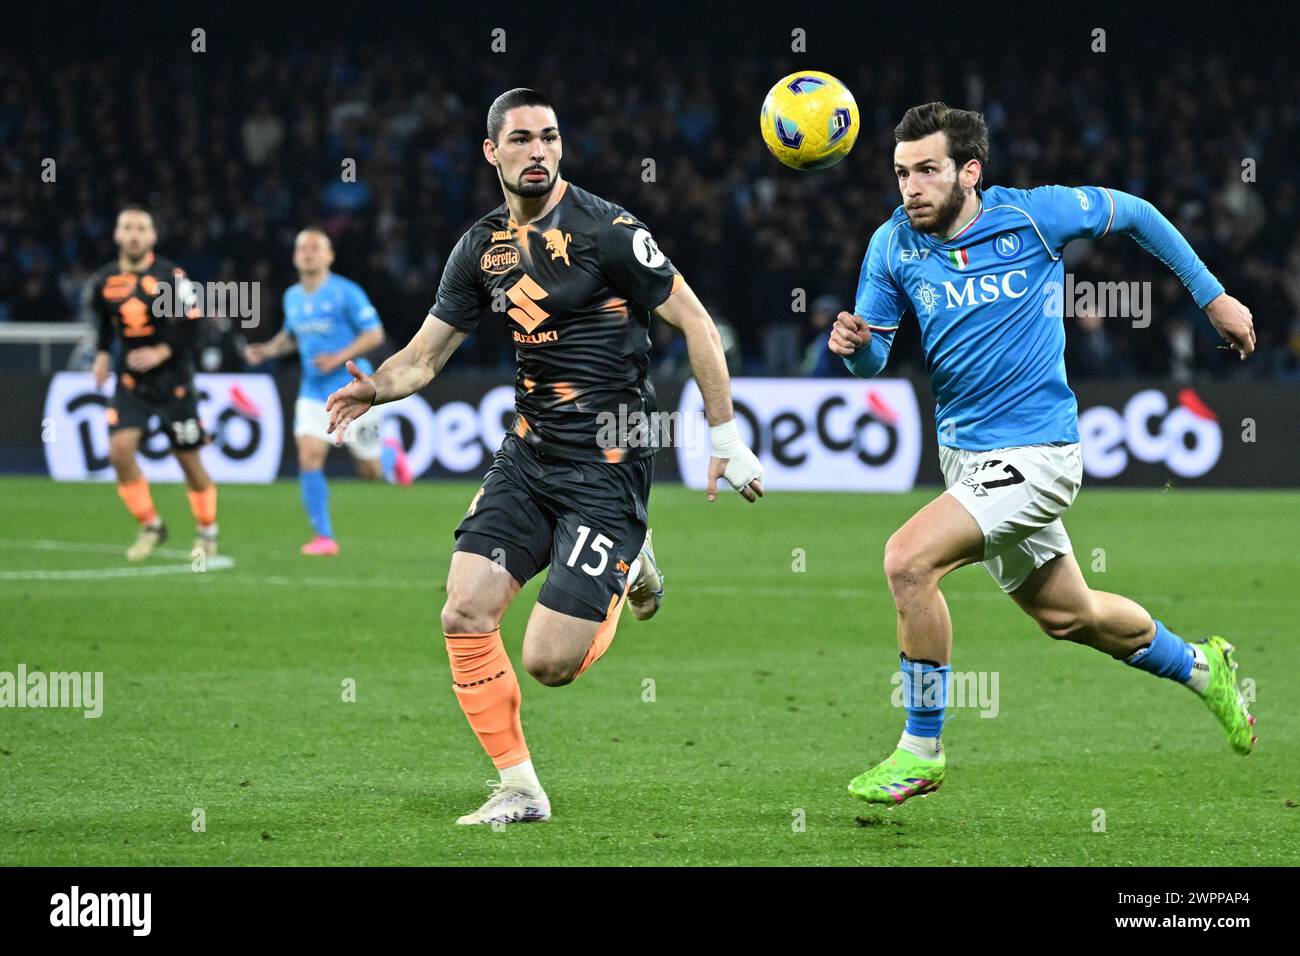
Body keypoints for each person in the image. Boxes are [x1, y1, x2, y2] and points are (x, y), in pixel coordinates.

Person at [326, 88, 764, 825]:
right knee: (464, 610)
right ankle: (520, 788)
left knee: (549, 663)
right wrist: (376, 387)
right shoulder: (481, 248)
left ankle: (630, 562)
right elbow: (424, 358)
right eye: (522, 139)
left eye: (550, 137)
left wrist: (725, 436)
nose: (539, 151)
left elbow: (696, 322)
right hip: (528, 455)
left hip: (608, 463)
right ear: (491, 152)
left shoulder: (609, 231)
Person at [829, 103, 1257, 805]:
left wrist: (1212, 298)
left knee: (908, 561)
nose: (911, 188)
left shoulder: (1034, 216)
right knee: (1069, 616)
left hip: (1037, 455)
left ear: (970, 171)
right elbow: (873, 355)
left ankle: (920, 749)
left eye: (928, 170)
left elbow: (1138, 214)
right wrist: (854, 349)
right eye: (902, 173)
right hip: (966, 459)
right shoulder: (892, 245)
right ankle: (1202, 666)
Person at [244, 228, 409, 556]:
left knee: (370, 471)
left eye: (315, 247)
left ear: (329, 256)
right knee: (309, 456)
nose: (308, 252)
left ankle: (390, 455)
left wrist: (337, 357)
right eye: (302, 248)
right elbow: (291, 336)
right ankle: (324, 537)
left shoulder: (346, 292)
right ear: (294, 256)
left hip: (354, 390)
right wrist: (268, 350)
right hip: (312, 391)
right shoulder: (292, 296)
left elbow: (374, 334)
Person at [88, 205, 218, 560]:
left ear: (153, 236)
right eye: (127, 227)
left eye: (141, 228)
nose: (134, 234)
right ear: (117, 234)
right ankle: (151, 525)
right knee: (119, 452)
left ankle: (207, 531)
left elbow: (195, 326)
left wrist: (162, 351)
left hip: (174, 381)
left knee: (187, 459)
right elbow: (104, 323)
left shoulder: (171, 277)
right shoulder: (105, 280)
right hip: (132, 381)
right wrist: (102, 354)